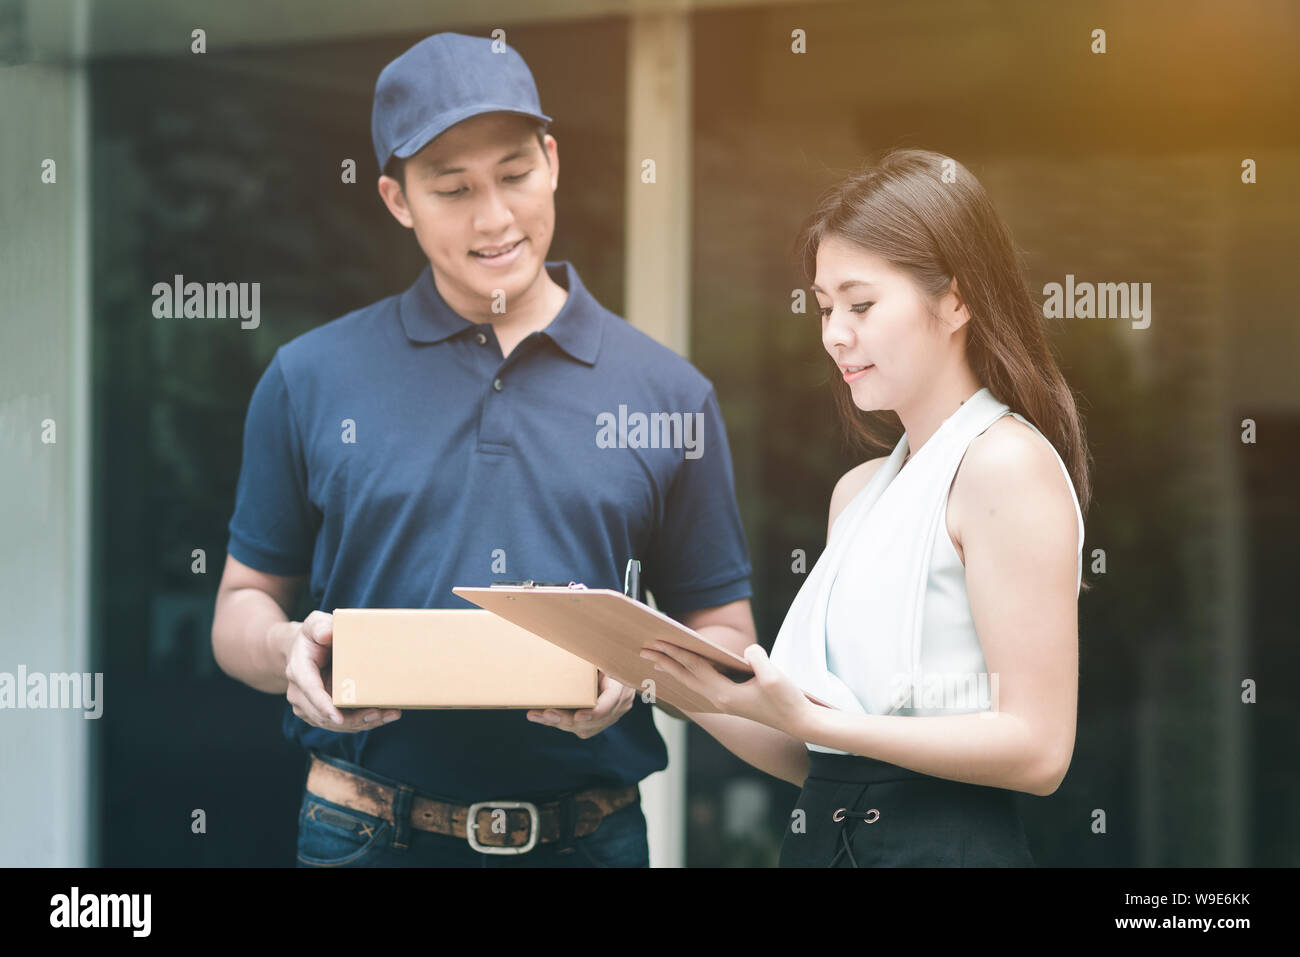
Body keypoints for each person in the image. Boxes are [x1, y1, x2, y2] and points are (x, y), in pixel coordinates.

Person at [210, 32, 756, 867]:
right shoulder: (308, 378)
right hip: (365, 835)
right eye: (453, 188)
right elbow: (240, 607)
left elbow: (724, 635)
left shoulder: (669, 395)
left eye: (514, 174)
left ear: (553, 160)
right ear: (397, 200)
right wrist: (290, 650)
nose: (495, 217)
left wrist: (640, 671)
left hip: (588, 841)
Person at [641, 148, 1091, 867]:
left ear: (956, 298)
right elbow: (816, 755)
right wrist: (663, 675)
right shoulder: (857, 492)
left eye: (860, 304)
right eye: (824, 308)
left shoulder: (1004, 464)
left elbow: (1039, 749)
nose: (833, 335)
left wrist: (833, 725)